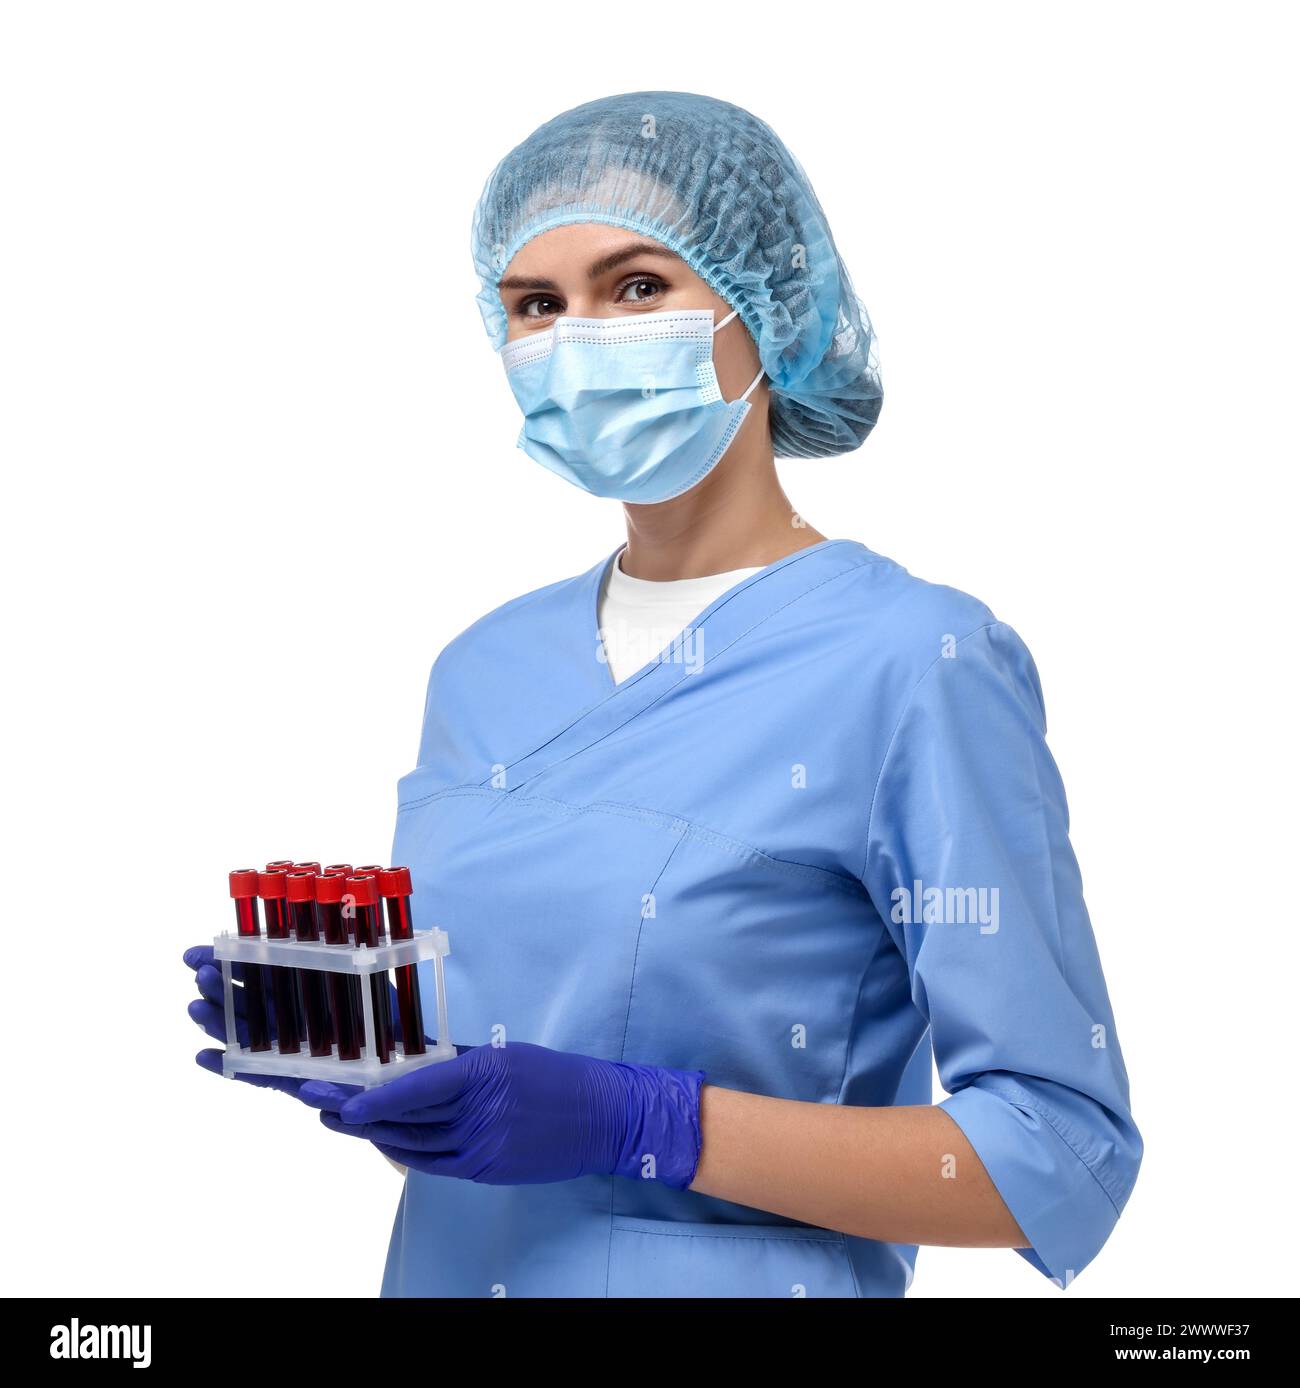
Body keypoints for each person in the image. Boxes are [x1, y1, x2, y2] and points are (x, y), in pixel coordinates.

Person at [186, 91, 1142, 1298]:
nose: (574, 339)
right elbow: (514, 1100)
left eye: (635, 288)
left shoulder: (913, 659)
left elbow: (1058, 1153)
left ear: (765, 310)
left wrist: (647, 1119)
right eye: (536, 305)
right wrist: (358, 1041)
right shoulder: (483, 667)